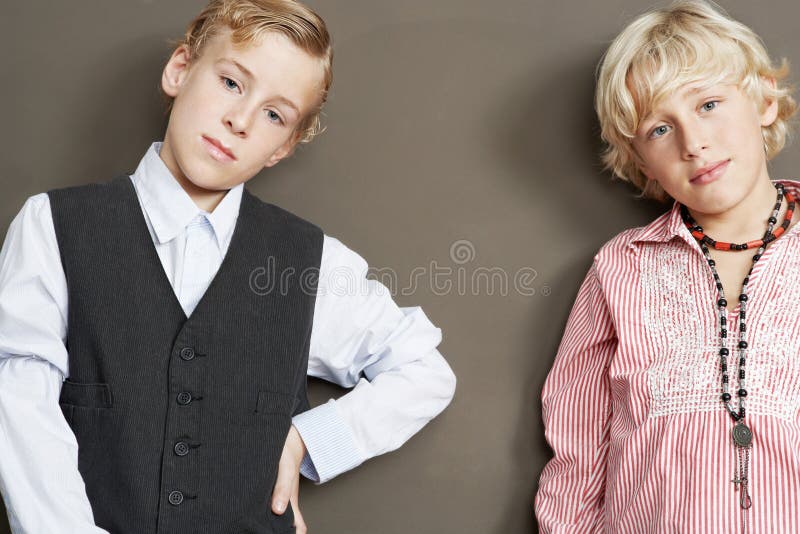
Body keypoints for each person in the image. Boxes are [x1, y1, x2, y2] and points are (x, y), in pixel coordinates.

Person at [0, 1, 456, 533]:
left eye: (273, 114)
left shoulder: (306, 264)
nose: (239, 121)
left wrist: (310, 439)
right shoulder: (53, 227)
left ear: (282, 148)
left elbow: (425, 373)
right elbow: (19, 407)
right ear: (179, 70)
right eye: (232, 83)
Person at [535, 0, 799, 532]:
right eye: (659, 129)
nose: (693, 143)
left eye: (708, 105)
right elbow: (577, 457)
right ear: (638, 160)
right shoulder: (622, 268)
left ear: (764, 100)